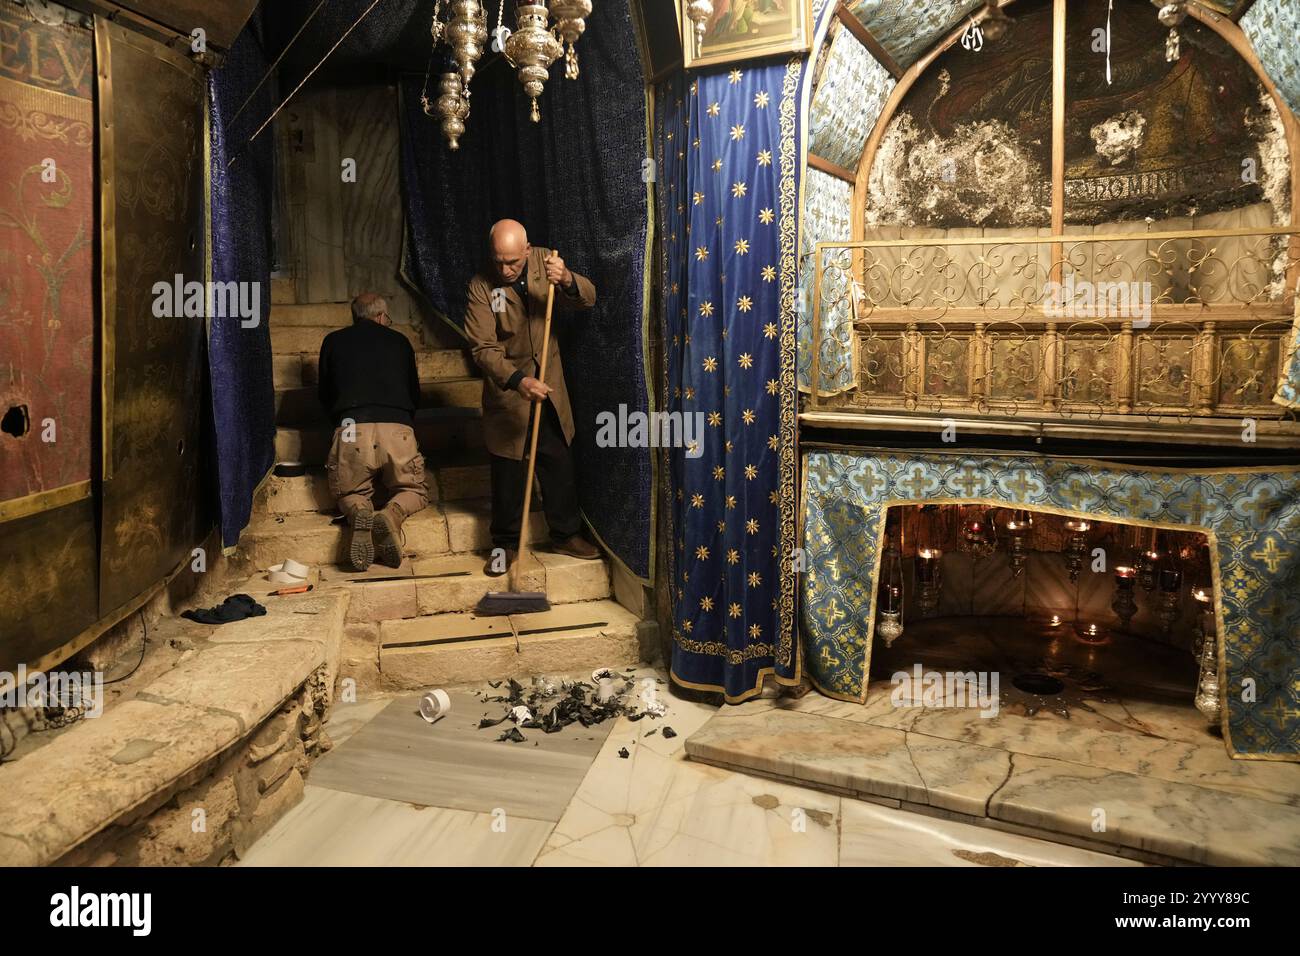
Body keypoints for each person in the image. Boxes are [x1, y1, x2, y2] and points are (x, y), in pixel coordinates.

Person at [464, 219, 601, 576]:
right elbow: (482, 348)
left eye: (513, 261)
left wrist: (568, 279)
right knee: (508, 471)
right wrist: (518, 380)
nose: (505, 269)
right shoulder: (481, 286)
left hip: (550, 383)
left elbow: (589, 298)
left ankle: (566, 534)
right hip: (510, 389)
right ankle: (504, 545)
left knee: (557, 461)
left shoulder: (547, 261)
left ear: (527, 250)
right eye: (499, 261)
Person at [317, 293, 427, 571]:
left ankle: (360, 512)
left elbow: (325, 395)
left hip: (352, 428)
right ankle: (392, 514)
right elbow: (415, 393)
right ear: (381, 317)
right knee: (413, 490)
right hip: (397, 428)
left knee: (349, 492)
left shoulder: (333, 341)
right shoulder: (400, 342)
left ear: (355, 317)